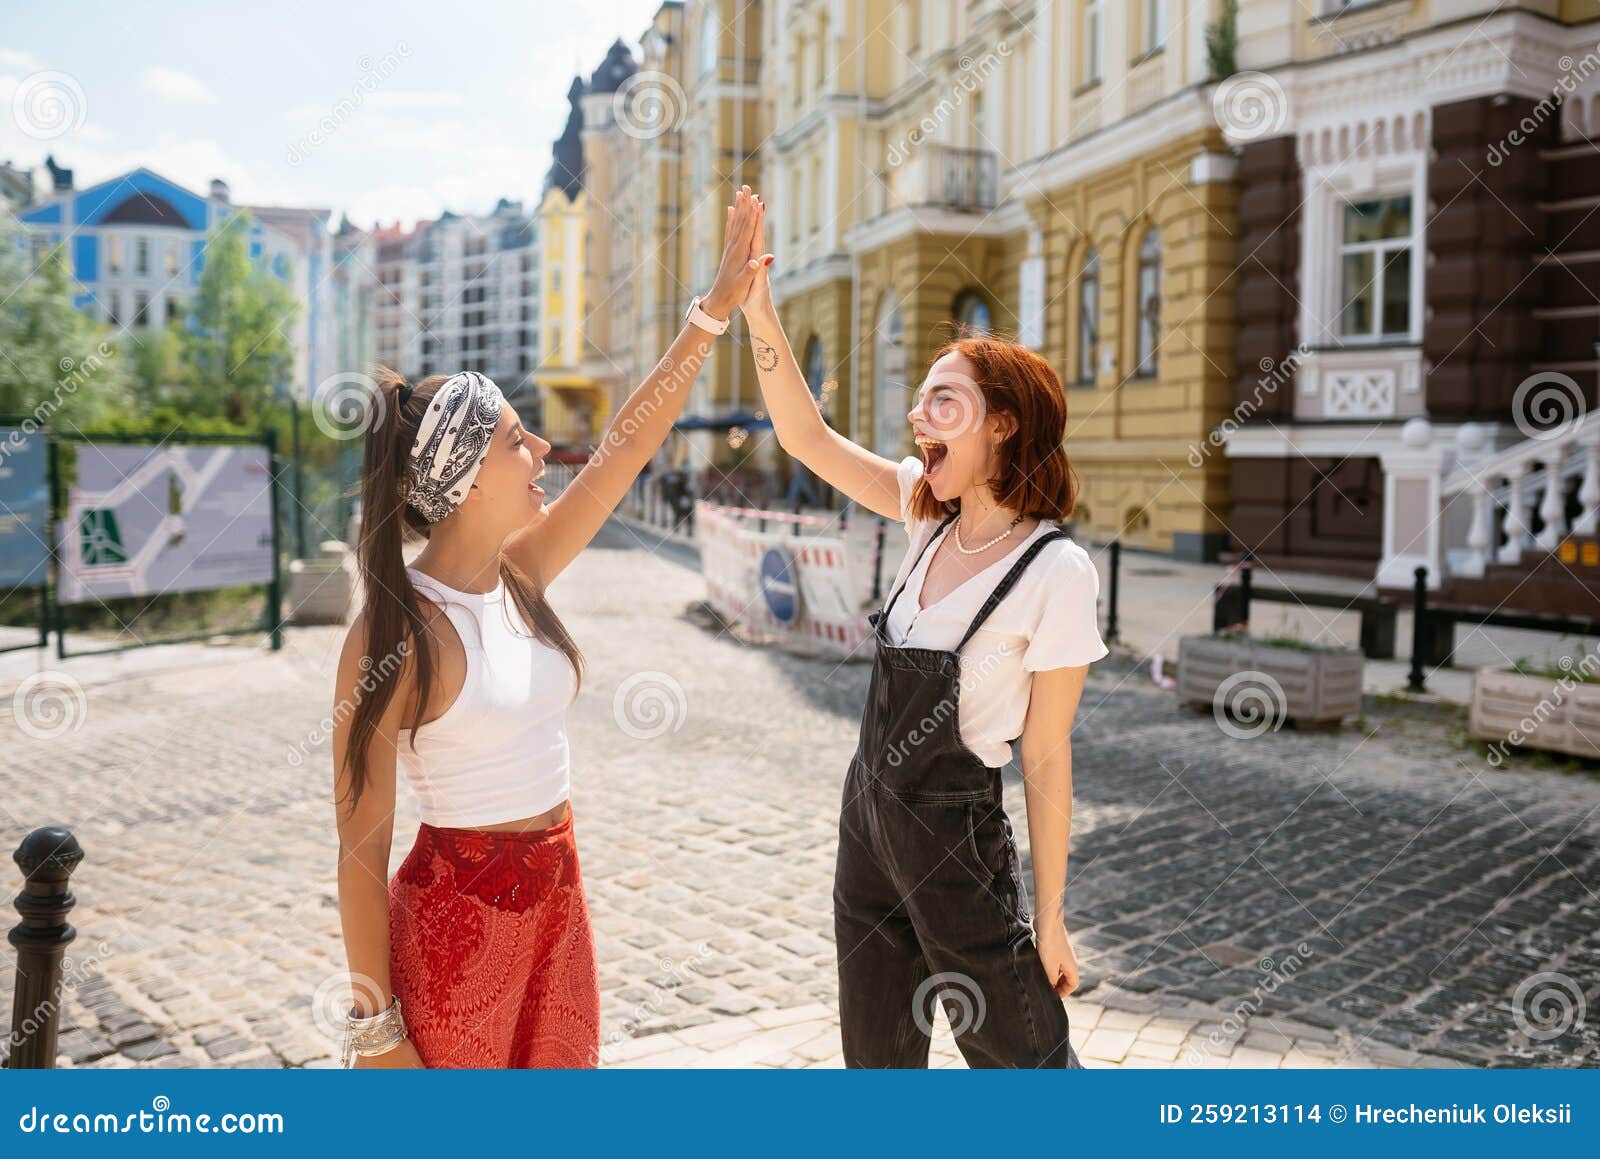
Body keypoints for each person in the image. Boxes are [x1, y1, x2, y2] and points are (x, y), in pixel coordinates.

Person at [330, 187, 768, 1068]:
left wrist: (711, 315)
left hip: (560, 902)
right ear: (464, 480)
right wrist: (377, 1030)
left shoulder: (521, 575)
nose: (540, 457)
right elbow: (361, 843)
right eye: (517, 442)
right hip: (457, 923)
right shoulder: (395, 629)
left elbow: (624, 450)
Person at [736, 205, 1107, 1068]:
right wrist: (761, 312)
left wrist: (1050, 917)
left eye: (945, 400)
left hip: (956, 847)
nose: (920, 416)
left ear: (1003, 423)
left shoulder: (1055, 571)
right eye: (920, 399)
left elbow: (1045, 757)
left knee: (1030, 1072)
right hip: (864, 826)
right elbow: (803, 434)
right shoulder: (924, 517)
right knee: (878, 1067)